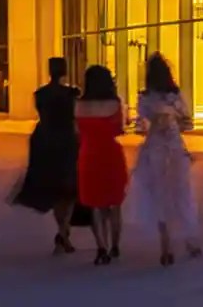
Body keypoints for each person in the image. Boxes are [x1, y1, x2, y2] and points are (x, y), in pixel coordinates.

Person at [130, 53, 202, 266]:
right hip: (175, 149)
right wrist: (172, 122)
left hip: (153, 150)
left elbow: (140, 127)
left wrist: (155, 121)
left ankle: (166, 247)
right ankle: (191, 241)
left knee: (158, 196)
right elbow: (188, 124)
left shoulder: (145, 98)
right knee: (182, 194)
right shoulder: (175, 96)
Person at [11, 57, 88, 254]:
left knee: (56, 189)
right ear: (64, 71)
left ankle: (62, 233)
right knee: (69, 190)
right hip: (66, 141)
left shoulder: (40, 94)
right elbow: (75, 116)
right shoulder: (71, 94)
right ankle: (63, 233)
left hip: (44, 141)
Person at [76, 65, 128, 266]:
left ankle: (101, 247)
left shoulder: (79, 105)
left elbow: (77, 131)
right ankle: (115, 244)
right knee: (114, 203)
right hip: (111, 155)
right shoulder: (115, 104)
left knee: (96, 205)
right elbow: (119, 130)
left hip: (89, 155)